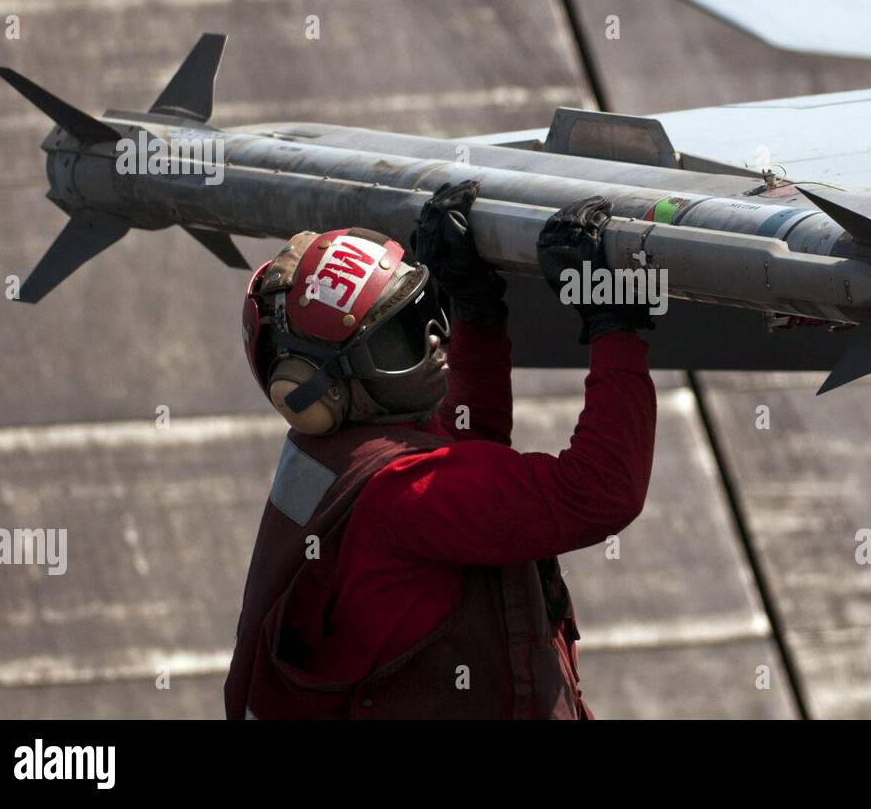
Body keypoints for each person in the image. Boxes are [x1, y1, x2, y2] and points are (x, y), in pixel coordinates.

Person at [225, 182, 656, 719]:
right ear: (319, 387)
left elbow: (464, 458)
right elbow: (602, 491)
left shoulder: (332, 456)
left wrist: (475, 315)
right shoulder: (404, 496)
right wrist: (613, 326)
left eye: (426, 312)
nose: (434, 338)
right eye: (398, 338)